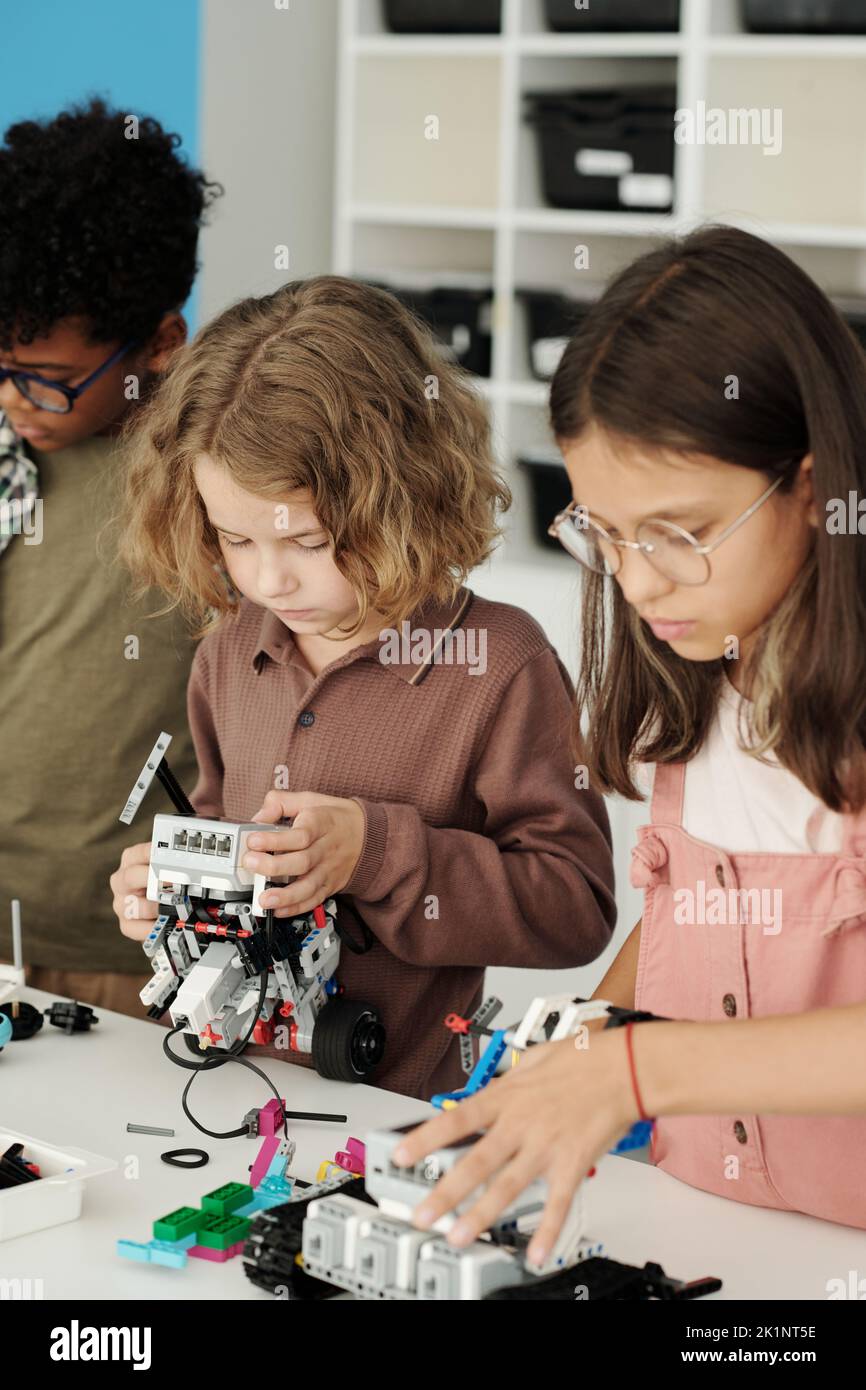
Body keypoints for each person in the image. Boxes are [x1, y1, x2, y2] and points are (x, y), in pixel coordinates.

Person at [391, 226, 866, 1255]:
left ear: (811, 483)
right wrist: (591, 1028)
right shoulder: (703, 678)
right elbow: (702, 913)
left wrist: (636, 1075)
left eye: (677, 531)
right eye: (602, 534)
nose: (639, 580)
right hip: (708, 1231)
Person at [109, 274, 617, 1099]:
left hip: (394, 1114)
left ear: (402, 497)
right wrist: (171, 893)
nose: (267, 578)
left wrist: (376, 850)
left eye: (307, 541)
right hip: (221, 1089)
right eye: (234, 538)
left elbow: (575, 909)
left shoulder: (501, 662)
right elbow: (217, 825)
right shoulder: (229, 650)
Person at [0, 98, 222, 1014]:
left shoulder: (215, 473)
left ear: (162, 343)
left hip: (136, 954)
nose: (15, 401)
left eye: (47, 383)